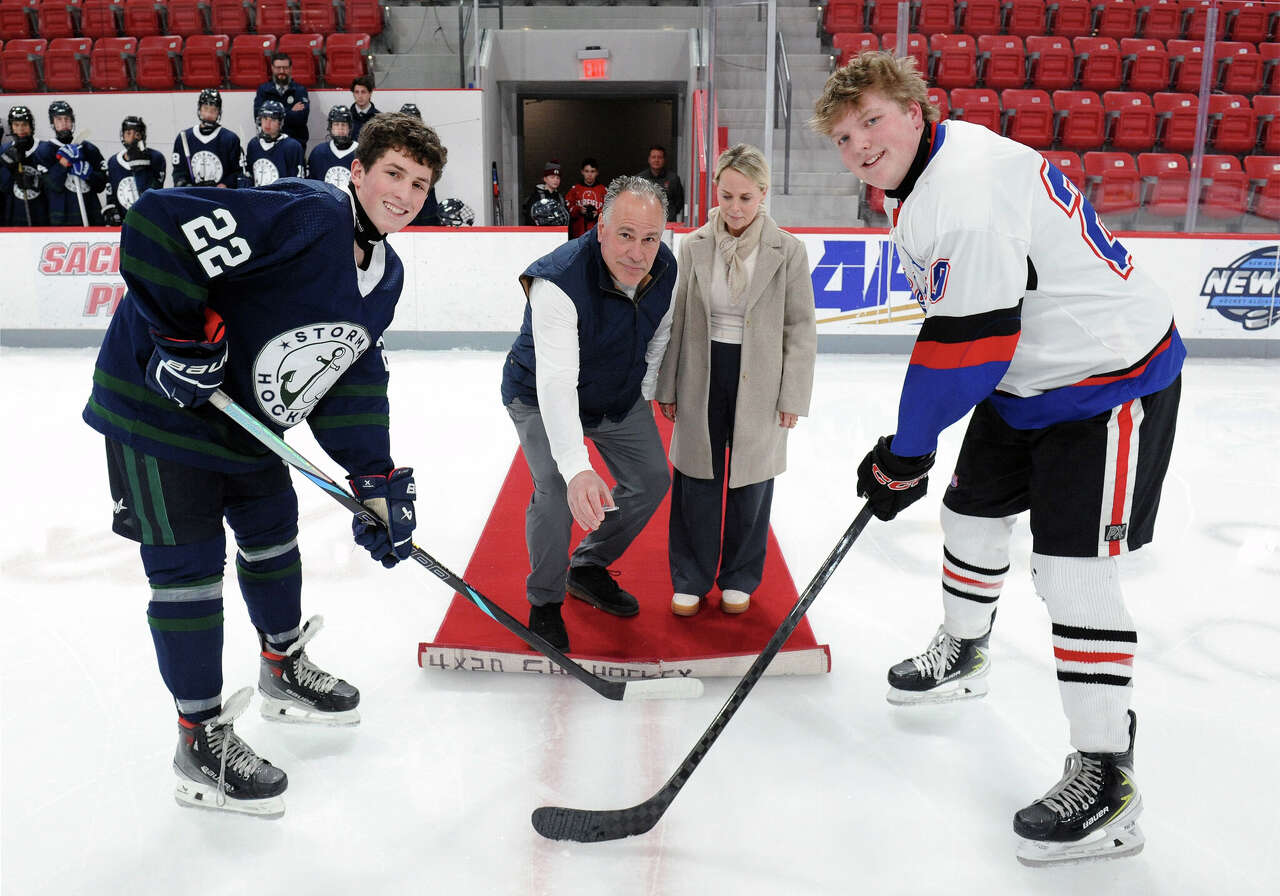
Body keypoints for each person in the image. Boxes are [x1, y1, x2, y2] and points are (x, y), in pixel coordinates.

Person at [812, 51, 1185, 866]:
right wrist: (911, 454)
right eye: (843, 137)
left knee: (1072, 572)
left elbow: (967, 345)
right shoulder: (925, 177)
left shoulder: (966, 194)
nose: (860, 145)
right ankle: (966, 650)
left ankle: (1108, 778)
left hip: (1105, 377)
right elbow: (969, 332)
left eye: (871, 120)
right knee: (969, 516)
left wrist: (905, 453)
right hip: (1025, 376)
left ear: (915, 110)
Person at [81, 113, 448, 818]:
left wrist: (373, 478)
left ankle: (282, 666)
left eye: (419, 183)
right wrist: (181, 339)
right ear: (358, 172)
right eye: (393, 174)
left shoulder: (386, 276)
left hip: (246, 420)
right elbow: (158, 224)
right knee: (188, 575)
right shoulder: (308, 214)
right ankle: (199, 740)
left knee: (274, 536)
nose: (404, 194)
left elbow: (346, 372)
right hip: (159, 414)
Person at [500, 176, 676, 651]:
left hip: (614, 392)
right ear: (600, 229)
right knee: (556, 489)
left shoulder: (665, 266)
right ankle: (545, 599)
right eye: (625, 235)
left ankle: (588, 565)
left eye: (650, 238)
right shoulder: (557, 281)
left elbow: (659, 333)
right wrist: (577, 469)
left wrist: (645, 389)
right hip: (539, 394)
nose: (637, 253)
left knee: (651, 479)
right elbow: (557, 382)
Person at [654, 144, 816, 617]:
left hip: (761, 378)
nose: (735, 207)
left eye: (745, 197)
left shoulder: (788, 251)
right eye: (726, 196)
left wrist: (792, 395)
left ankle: (740, 577)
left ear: (763, 194)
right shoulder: (694, 245)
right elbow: (678, 318)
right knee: (695, 476)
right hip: (701, 372)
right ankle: (690, 576)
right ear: (716, 191)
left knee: (752, 481)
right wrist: (668, 385)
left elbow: (800, 327)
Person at [33, 101, 107, 226]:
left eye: (67, 119)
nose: (64, 123)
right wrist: (63, 163)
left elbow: (101, 186)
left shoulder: (89, 149)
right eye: (59, 119)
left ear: (72, 121)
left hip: (92, 215)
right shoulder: (44, 151)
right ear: (52, 123)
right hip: (61, 219)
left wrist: (89, 175)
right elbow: (50, 187)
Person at [172, 88, 244, 189]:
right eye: (205, 109)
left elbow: (238, 172)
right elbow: (178, 172)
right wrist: (185, 185)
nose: (209, 114)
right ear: (200, 109)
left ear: (219, 112)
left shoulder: (230, 139)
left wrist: (226, 184)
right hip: (193, 195)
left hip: (220, 195)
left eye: (213, 110)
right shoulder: (183, 138)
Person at [102, 116, 167, 227]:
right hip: (124, 223)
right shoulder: (113, 162)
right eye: (128, 133)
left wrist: (140, 167)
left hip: (150, 222)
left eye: (136, 134)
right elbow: (111, 194)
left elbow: (154, 192)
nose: (132, 138)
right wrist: (112, 210)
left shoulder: (156, 157)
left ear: (142, 136)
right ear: (122, 135)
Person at [0, 105, 47, 226]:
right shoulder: (3, 150)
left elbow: (53, 184)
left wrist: (37, 180)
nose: (20, 129)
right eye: (16, 125)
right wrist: (10, 170)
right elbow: (3, 188)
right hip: (13, 215)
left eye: (24, 124)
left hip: (41, 213)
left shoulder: (45, 148)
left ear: (31, 126)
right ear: (11, 127)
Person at [255, 53, 310, 147]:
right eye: (278, 68)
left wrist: (272, 115)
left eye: (285, 68)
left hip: (295, 142)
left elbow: (301, 119)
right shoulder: (263, 90)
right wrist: (290, 112)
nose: (282, 71)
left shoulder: (300, 90)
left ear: (291, 68)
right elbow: (258, 117)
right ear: (272, 68)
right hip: (269, 142)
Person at [245, 100, 305, 186]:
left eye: (273, 119)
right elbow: (248, 178)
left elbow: (298, 183)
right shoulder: (253, 145)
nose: (267, 124)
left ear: (280, 122)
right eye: (265, 118)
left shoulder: (293, 147)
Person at [397, 103, 439, 225]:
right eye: (407, 122)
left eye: (414, 121)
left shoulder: (429, 145)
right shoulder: (392, 146)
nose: (410, 126)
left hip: (424, 192)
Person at [307, 105, 358, 189]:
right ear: (330, 127)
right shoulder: (318, 153)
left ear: (350, 127)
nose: (340, 129)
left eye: (343, 124)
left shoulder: (361, 152)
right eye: (336, 124)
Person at [637, 144, 684, 223]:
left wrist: (670, 214)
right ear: (649, 159)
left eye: (659, 157)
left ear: (664, 160)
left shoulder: (673, 179)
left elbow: (679, 203)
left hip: (668, 223)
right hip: (645, 222)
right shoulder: (640, 179)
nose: (656, 160)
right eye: (653, 157)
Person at [565, 157, 607, 239]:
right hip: (578, 234)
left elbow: (610, 210)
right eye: (587, 171)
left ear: (597, 172)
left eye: (592, 171)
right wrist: (578, 210)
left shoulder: (603, 191)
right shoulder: (574, 190)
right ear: (582, 172)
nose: (589, 175)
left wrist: (598, 213)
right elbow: (567, 210)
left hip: (598, 234)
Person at [521, 160, 569, 228]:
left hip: (558, 233)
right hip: (540, 233)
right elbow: (529, 221)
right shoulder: (535, 197)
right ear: (545, 179)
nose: (555, 180)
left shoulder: (561, 198)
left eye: (558, 178)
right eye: (552, 177)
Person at [350, 75, 379, 142]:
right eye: (356, 92)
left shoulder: (379, 118)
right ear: (353, 94)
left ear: (370, 93)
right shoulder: (347, 117)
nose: (360, 96)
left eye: (363, 92)